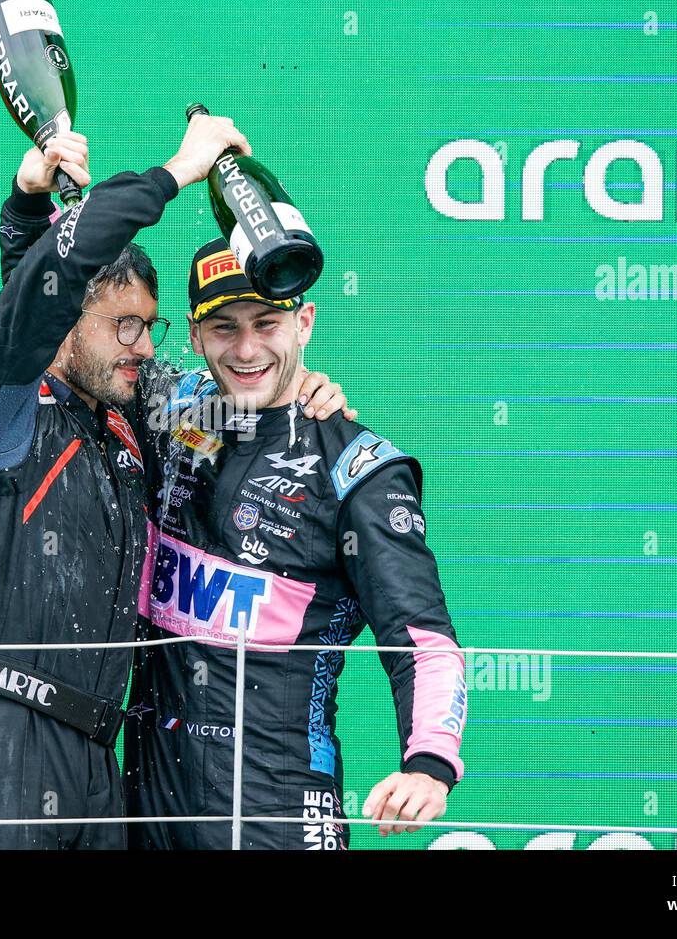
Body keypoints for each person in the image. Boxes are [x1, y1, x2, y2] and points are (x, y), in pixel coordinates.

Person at [0, 116, 349, 849]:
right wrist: (178, 169)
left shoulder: (124, 415)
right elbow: (41, 291)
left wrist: (300, 394)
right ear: (66, 322)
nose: (143, 347)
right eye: (124, 327)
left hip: (95, 762)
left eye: (151, 325)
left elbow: (237, 397)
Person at [122, 238, 469, 849]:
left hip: (277, 815)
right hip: (146, 814)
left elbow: (421, 635)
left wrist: (430, 764)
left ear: (304, 323)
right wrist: (34, 209)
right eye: (224, 328)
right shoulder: (169, 412)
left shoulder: (358, 469)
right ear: (196, 337)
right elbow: (66, 326)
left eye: (268, 323)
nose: (248, 349)